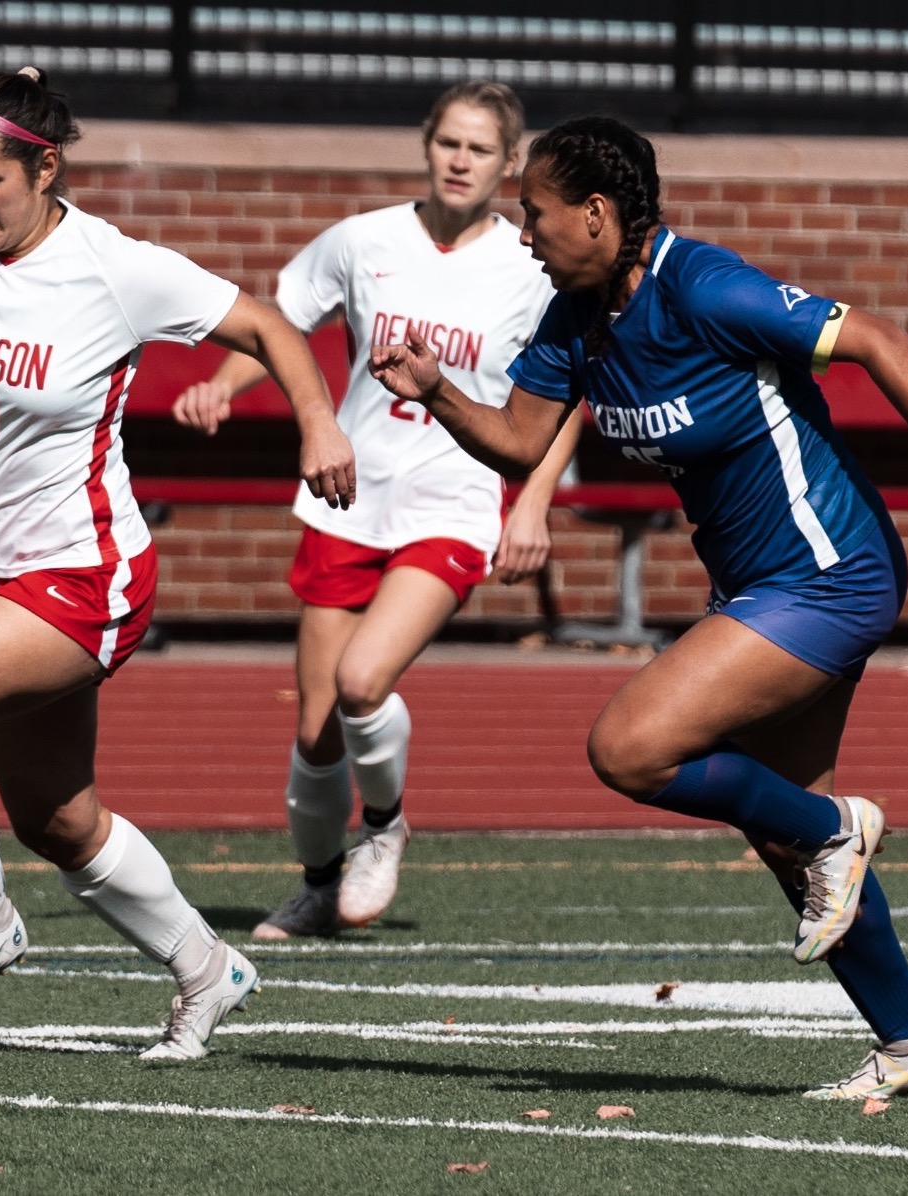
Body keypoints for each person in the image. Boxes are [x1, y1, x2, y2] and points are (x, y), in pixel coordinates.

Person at [369, 115, 908, 1098]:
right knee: (790, 838)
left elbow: (872, 337)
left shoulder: (703, 286)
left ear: (597, 214)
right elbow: (523, 442)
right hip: (760, 589)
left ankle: (836, 828)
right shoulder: (575, 320)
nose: (522, 230)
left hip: (831, 571)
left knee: (628, 746)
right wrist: (435, 390)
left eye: (535, 210)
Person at [0, 67, 355, 1060]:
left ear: (44, 167)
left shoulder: (112, 265)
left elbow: (264, 325)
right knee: (56, 819)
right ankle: (206, 967)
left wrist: (318, 426)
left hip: (90, 573)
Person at [172, 81, 581, 940]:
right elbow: (280, 322)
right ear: (426, 148)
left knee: (363, 682)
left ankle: (386, 826)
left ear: (511, 164)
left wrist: (533, 502)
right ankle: (319, 885)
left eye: (480, 149)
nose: (461, 161)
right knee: (317, 732)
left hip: (455, 500)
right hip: (348, 496)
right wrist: (222, 383)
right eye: (448, 144)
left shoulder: (528, 265)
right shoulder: (364, 241)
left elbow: (571, 390)